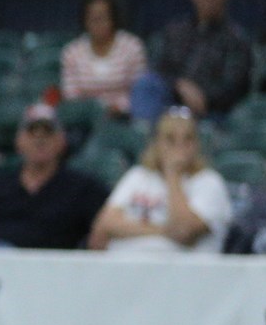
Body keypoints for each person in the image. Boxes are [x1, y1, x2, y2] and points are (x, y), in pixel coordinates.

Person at [0, 104, 109, 250]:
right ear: (19, 141)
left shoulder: (83, 187)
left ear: (61, 141)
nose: (39, 139)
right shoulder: (0, 185)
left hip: (57, 274)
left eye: (47, 132)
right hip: (1, 265)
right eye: (32, 132)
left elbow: (102, 230)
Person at [89, 109, 232, 255]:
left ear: (197, 144)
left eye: (188, 139)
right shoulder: (138, 176)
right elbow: (103, 226)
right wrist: (164, 230)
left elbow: (182, 231)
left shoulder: (209, 182)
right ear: (156, 143)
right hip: (126, 269)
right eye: (170, 139)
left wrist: (173, 174)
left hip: (184, 273)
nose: (179, 147)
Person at [133, 0, 253, 121]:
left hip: (211, 113)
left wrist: (200, 95)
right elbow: (157, 67)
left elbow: (232, 88)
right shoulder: (175, 31)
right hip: (170, 105)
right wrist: (179, 84)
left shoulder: (236, 39)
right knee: (146, 84)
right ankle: (147, 139)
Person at [60, 0, 147, 118]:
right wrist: (97, 110)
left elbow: (140, 91)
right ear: (84, 21)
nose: (98, 23)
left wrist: (119, 108)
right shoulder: (72, 52)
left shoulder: (132, 47)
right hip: (85, 120)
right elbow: (71, 96)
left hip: (126, 116)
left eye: (103, 17)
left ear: (113, 19)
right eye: (93, 18)